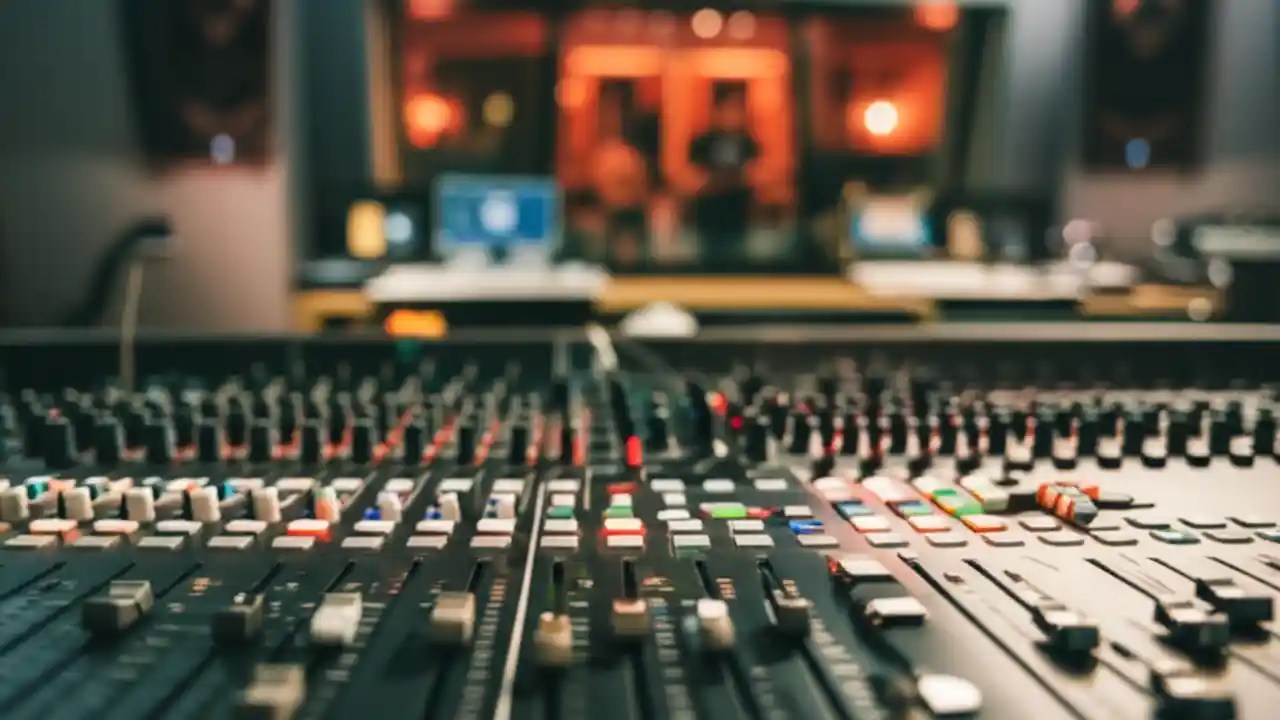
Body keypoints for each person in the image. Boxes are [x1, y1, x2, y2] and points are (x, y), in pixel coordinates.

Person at [689, 88, 758, 260]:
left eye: (737, 109)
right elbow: (694, 178)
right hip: (708, 216)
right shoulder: (702, 142)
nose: (733, 115)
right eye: (729, 108)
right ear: (717, 111)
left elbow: (754, 174)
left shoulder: (747, 142)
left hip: (738, 216)